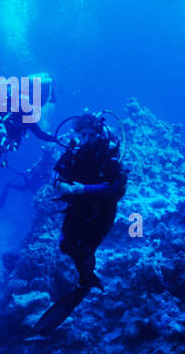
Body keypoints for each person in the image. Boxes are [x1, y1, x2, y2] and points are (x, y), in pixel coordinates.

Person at [33, 112, 129, 335]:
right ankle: (86, 279)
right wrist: (59, 183)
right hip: (78, 205)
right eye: (81, 134)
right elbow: (57, 171)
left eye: (89, 134)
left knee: (86, 249)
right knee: (66, 245)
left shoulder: (109, 153)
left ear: (97, 134)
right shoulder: (75, 150)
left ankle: (84, 284)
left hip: (102, 209)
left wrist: (82, 189)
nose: (85, 139)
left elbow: (115, 188)